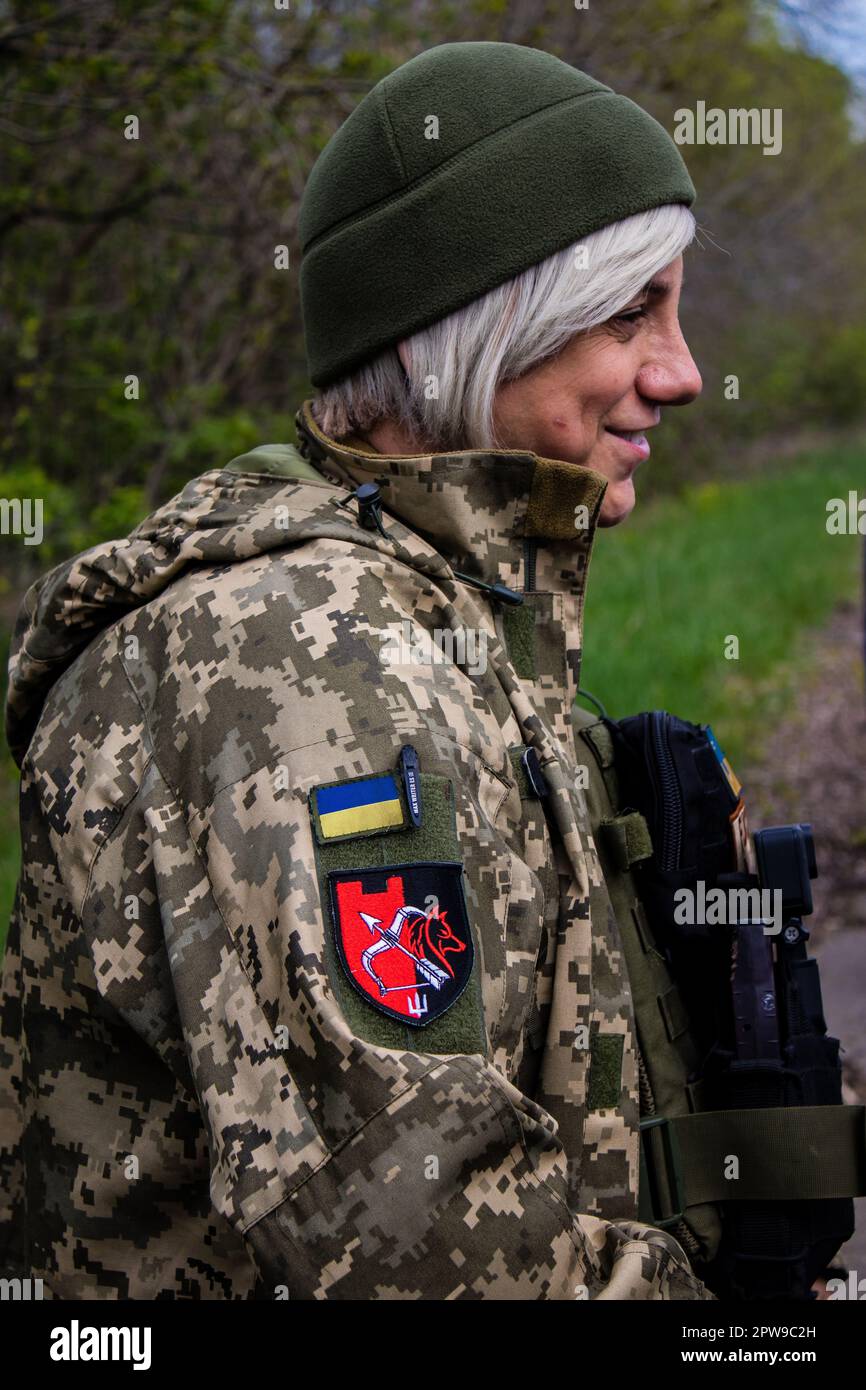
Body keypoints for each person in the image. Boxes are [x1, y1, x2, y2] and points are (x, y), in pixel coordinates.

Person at [0, 41, 714, 1299]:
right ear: (478, 333)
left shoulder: (425, 607)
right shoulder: (300, 663)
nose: (681, 371)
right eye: (627, 312)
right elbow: (430, 1258)